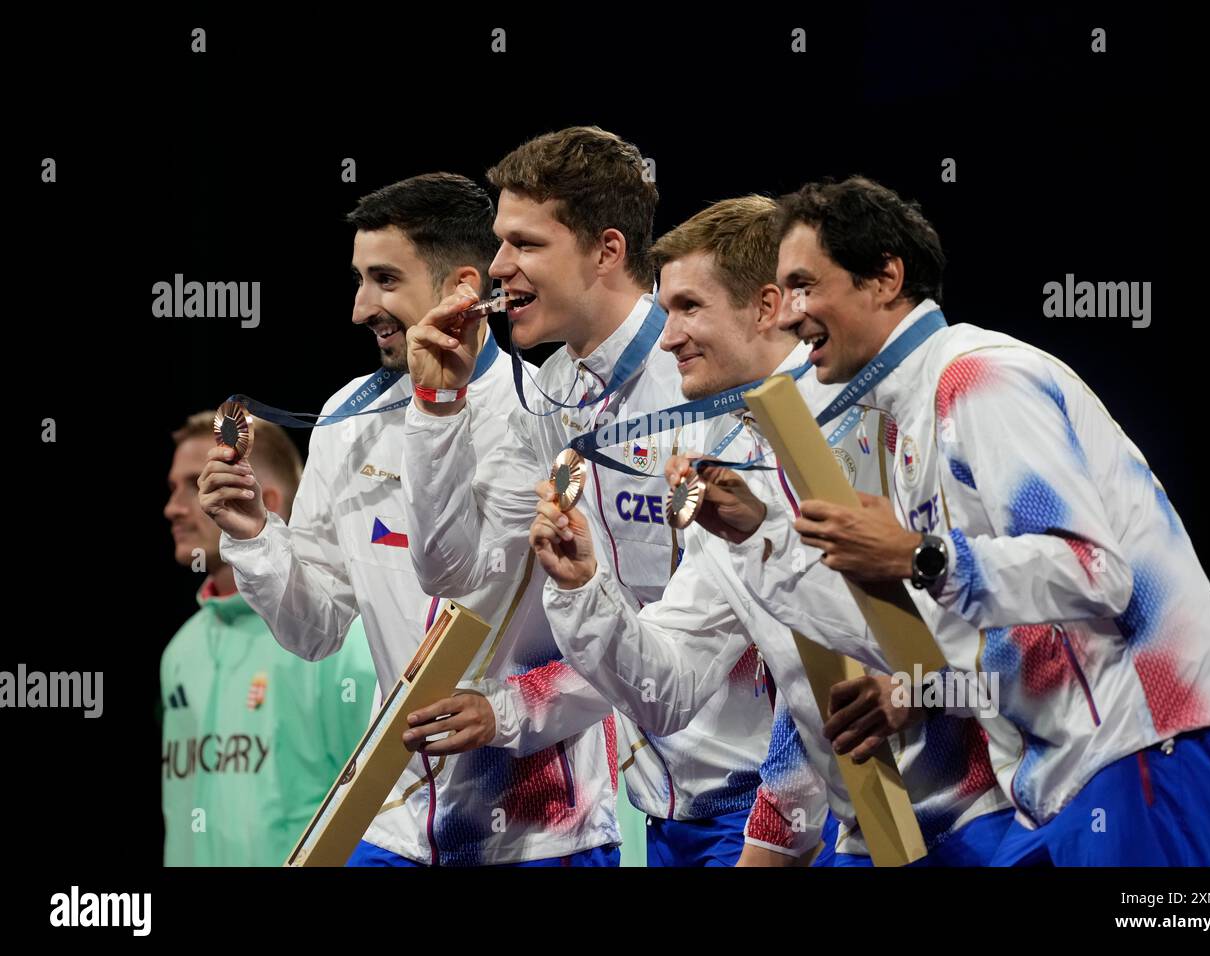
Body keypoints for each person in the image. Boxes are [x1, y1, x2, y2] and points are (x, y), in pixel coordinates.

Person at [727, 175, 1210, 864]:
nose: (788, 315)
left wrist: (917, 556)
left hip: (1145, 733)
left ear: (885, 277)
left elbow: (1095, 574)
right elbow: (998, 639)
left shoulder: (978, 378)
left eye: (805, 285)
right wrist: (915, 688)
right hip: (1063, 775)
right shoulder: (903, 424)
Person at [531, 195, 1013, 866]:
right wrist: (582, 588)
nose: (666, 339)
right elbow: (667, 690)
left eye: (688, 308)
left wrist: (773, 833)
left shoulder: (874, 421)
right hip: (865, 827)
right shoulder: (724, 455)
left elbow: (982, 629)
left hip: (988, 816)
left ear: (765, 308)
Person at [202, 173, 620, 866]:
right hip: (392, 824)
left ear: (461, 287)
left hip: (540, 832)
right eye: (360, 279)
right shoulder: (348, 418)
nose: (361, 307)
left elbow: (618, 638)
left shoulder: (551, 421)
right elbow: (312, 631)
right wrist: (253, 536)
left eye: (384, 279)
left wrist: (506, 713)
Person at [403, 128, 781, 865]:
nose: (497, 267)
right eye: (498, 243)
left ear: (606, 251)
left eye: (524, 244)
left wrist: (514, 709)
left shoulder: (710, 381)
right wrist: (437, 406)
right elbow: (457, 573)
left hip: (765, 798)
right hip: (659, 806)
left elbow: (696, 624)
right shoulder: (550, 395)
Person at [163, 410, 374, 866]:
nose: (175, 508)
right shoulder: (179, 652)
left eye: (197, 485)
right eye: (175, 488)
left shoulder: (342, 643)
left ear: (266, 501)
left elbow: (378, 806)